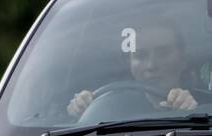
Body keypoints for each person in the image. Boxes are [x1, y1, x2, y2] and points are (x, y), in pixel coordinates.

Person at [67, 17, 199, 117]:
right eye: (140, 56)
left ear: (183, 59)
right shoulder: (110, 110)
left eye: (162, 53)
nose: (151, 65)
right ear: (129, 63)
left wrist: (192, 116)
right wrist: (82, 112)